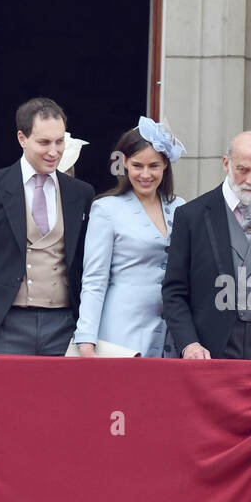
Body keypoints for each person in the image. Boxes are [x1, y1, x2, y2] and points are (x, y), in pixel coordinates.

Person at [0, 97, 96, 355]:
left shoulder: (81, 193)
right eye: (44, 142)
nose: (54, 151)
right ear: (22, 138)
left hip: (64, 325)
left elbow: (88, 262)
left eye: (60, 141)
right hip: (5, 324)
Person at [162, 131, 251, 360]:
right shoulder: (191, 216)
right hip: (208, 354)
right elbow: (174, 291)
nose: (250, 180)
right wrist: (189, 344)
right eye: (242, 170)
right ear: (226, 163)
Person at [74, 118, 185, 358]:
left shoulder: (181, 208)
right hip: (122, 330)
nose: (146, 174)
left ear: (165, 164)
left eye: (154, 165)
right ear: (124, 163)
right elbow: (94, 278)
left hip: (171, 333)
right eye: (137, 165)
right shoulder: (106, 209)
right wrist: (85, 339)